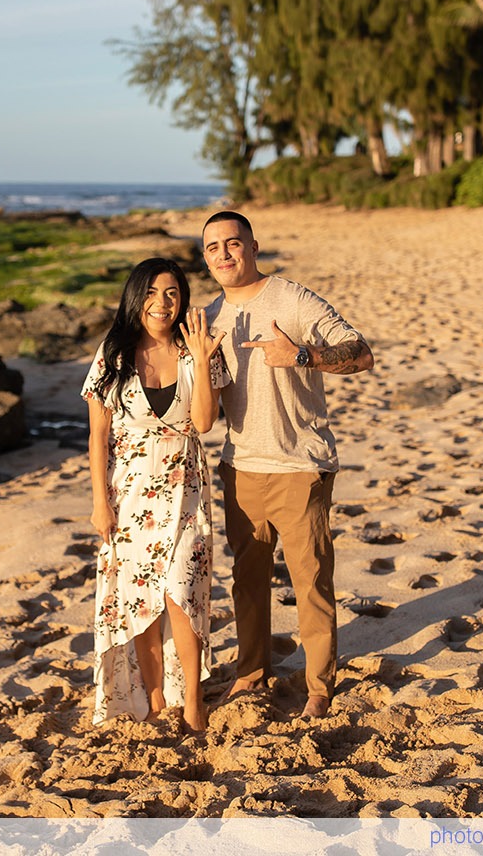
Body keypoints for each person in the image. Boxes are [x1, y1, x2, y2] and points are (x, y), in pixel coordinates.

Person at [200, 210, 373, 719]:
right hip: (239, 468)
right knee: (247, 580)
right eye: (213, 248)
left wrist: (302, 357)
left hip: (301, 464)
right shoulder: (209, 317)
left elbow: (362, 354)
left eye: (233, 244)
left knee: (310, 579)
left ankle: (319, 685)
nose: (224, 255)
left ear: (253, 247)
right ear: (206, 258)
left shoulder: (292, 298)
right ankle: (251, 673)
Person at [83, 256, 229, 732]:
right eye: (151, 293)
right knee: (141, 600)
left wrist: (203, 362)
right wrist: (99, 503)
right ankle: (154, 699)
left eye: (171, 293)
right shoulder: (114, 352)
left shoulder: (196, 351)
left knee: (183, 595)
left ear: (182, 300)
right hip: (129, 496)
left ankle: (193, 696)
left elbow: (204, 423)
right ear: (135, 298)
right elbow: (98, 436)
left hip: (186, 489)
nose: (162, 304)